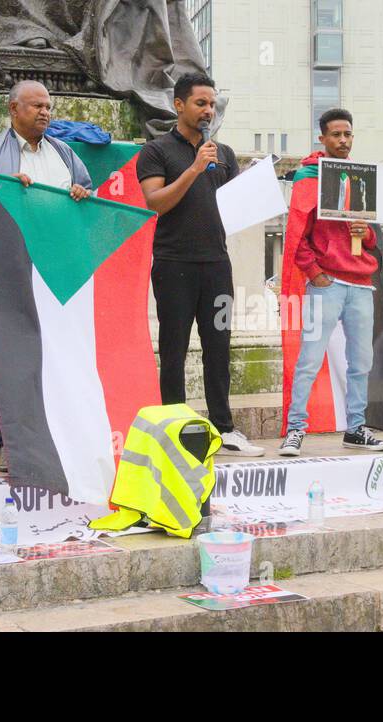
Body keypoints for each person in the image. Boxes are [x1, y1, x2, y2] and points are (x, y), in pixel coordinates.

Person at [0, 80, 95, 473]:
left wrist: (83, 194)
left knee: (56, 357)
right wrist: (3, 193)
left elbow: (88, 193)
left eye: (48, 106)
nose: (45, 113)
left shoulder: (64, 153)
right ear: (13, 109)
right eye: (36, 106)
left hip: (57, 273)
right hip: (10, 273)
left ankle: (58, 438)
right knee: (13, 356)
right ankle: (11, 443)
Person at [137, 72, 263, 456]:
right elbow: (155, 202)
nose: (208, 111)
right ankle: (174, 427)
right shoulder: (156, 151)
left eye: (212, 104)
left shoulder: (222, 154)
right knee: (174, 348)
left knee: (218, 346)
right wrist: (193, 168)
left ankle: (223, 429)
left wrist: (258, 185)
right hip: (174, 265)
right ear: (179, 105)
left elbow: (231, 205)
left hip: (216, 266)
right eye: (200, 103)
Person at [278, 108, 383, 456]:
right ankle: (296, 428)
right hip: (326, 284)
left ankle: (355, 428)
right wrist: (314, 273)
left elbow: (372, 237)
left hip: (360, 283)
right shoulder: (309, 176)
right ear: (322, 138)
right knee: (309, 359)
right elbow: (297, 233)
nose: (343, 140)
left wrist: (366, 232)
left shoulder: (360, 177)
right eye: (336, 134)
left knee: (361, 362)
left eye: (348, 134)